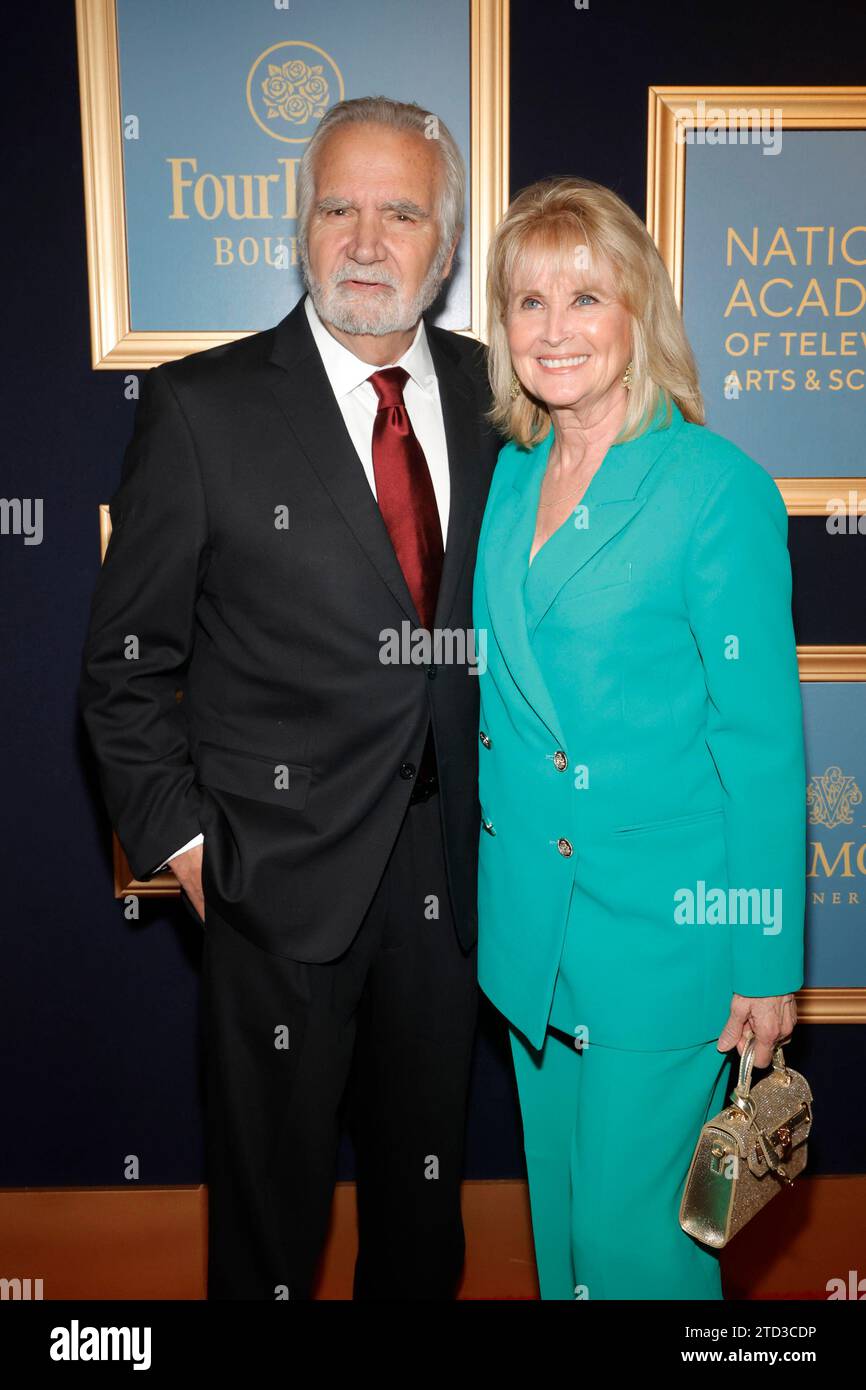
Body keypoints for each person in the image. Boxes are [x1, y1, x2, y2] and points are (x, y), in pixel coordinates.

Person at [79, 96, 501, 1300]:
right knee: (267, 1238)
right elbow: (122, 671)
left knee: (422, 1229)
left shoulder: (500, 400)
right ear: (299, 227)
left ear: (445, 245)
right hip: (273, 892)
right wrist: (201, 854)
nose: (366, 241)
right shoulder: (201, 410)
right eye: (338, 208)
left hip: (452, 889)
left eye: (401, 211)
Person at [472, 176, 805, 1300]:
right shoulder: (511, 479)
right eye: (527, 301)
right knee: (563, 1244)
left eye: (584, 296)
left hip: (669, 945)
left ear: (638, 313)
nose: (553, 328)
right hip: (534, 932)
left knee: (633, 1258)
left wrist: (764, 957)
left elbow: (758, 742)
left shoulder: (714, 488)